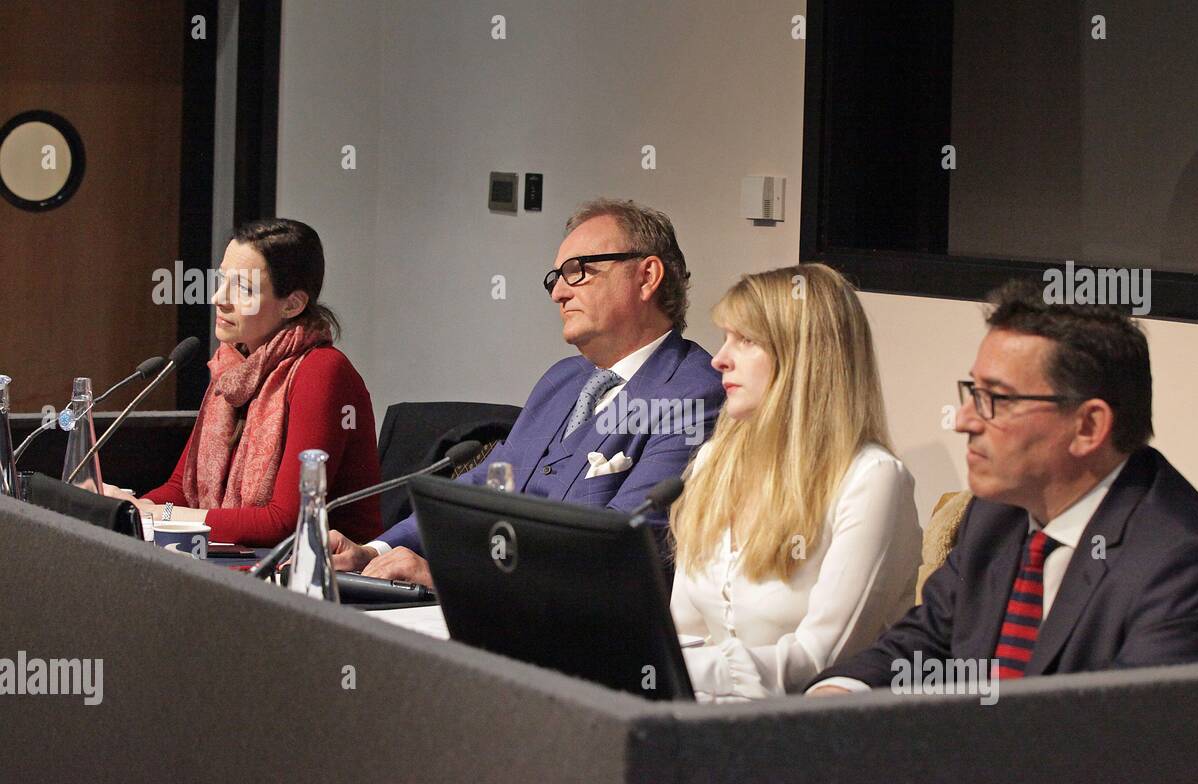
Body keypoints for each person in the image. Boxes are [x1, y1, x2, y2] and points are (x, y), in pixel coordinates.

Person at [808, 280, 1198, 696]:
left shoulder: (1187, 569)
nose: (965, 420)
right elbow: (924, 643)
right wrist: (842, 693)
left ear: (1088, 426)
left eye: (995, 399)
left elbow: (1132, 757)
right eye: (971, 392)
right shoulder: (995, 517)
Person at [329, 198, 725, 585]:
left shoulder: (694, 394)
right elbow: (483, 488)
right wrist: (374, 552)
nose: (559, 293)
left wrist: (450, 576)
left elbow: (623, 547)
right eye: (555, 278)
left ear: (647, 276)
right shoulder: (562, 379)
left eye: (579, 271)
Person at [669, 264, 921, 701]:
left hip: (812, 740)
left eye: (744, 340)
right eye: (725, 337)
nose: (719, 359)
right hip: (698, 724)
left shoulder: (872, 480)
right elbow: (684, 634)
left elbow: (817, 662)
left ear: (804, 356)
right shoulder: (713, 462)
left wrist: (656, 667)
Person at [105, 219, 382, 547]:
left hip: (327, 578)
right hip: (238, 560)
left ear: (292, 304)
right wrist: (131, 509)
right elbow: (182, 489)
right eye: (222, 280)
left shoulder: (323, 371)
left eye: (243, 288)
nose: (219, 298)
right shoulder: (233, 367)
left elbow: (282, 522)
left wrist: (152, 516)